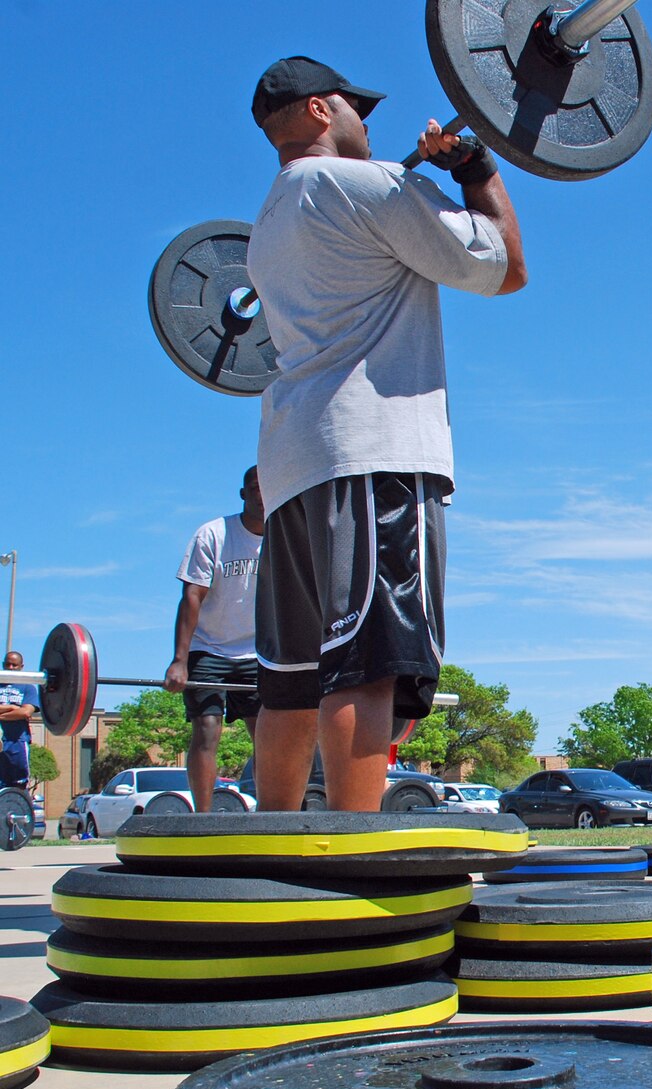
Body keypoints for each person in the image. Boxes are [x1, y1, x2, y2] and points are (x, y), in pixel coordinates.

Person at [245, 56, 526, 811]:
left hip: (292, 465)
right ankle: (350, 856)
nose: (367, 123)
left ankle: (269, 862)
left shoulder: (266, 225)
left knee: (293, 681)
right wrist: (473, 168)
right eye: (354, 107)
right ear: (315, 111)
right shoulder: (366, 187)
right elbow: (504, 267)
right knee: (366, 666)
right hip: (372, 452)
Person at [163, 467, 263, 811]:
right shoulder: (214, 534)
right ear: (242, 493)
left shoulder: (288, 537)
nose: (262, 495)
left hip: (258, 652)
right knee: (206, 729)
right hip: (209, 649)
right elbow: (192, 596)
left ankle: (273, 816)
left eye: (269, 488)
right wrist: (180, 660)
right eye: (254, 488)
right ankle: (202, 819)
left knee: (268, 737)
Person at [0, 651, 39, 788]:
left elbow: (25, 712)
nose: (10, 667)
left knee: (18, 784)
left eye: (14, 665)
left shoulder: (28, 687)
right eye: (7, 664)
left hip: (17, 741)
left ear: (21, 667)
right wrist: (12, 707)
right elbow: (19, 711)